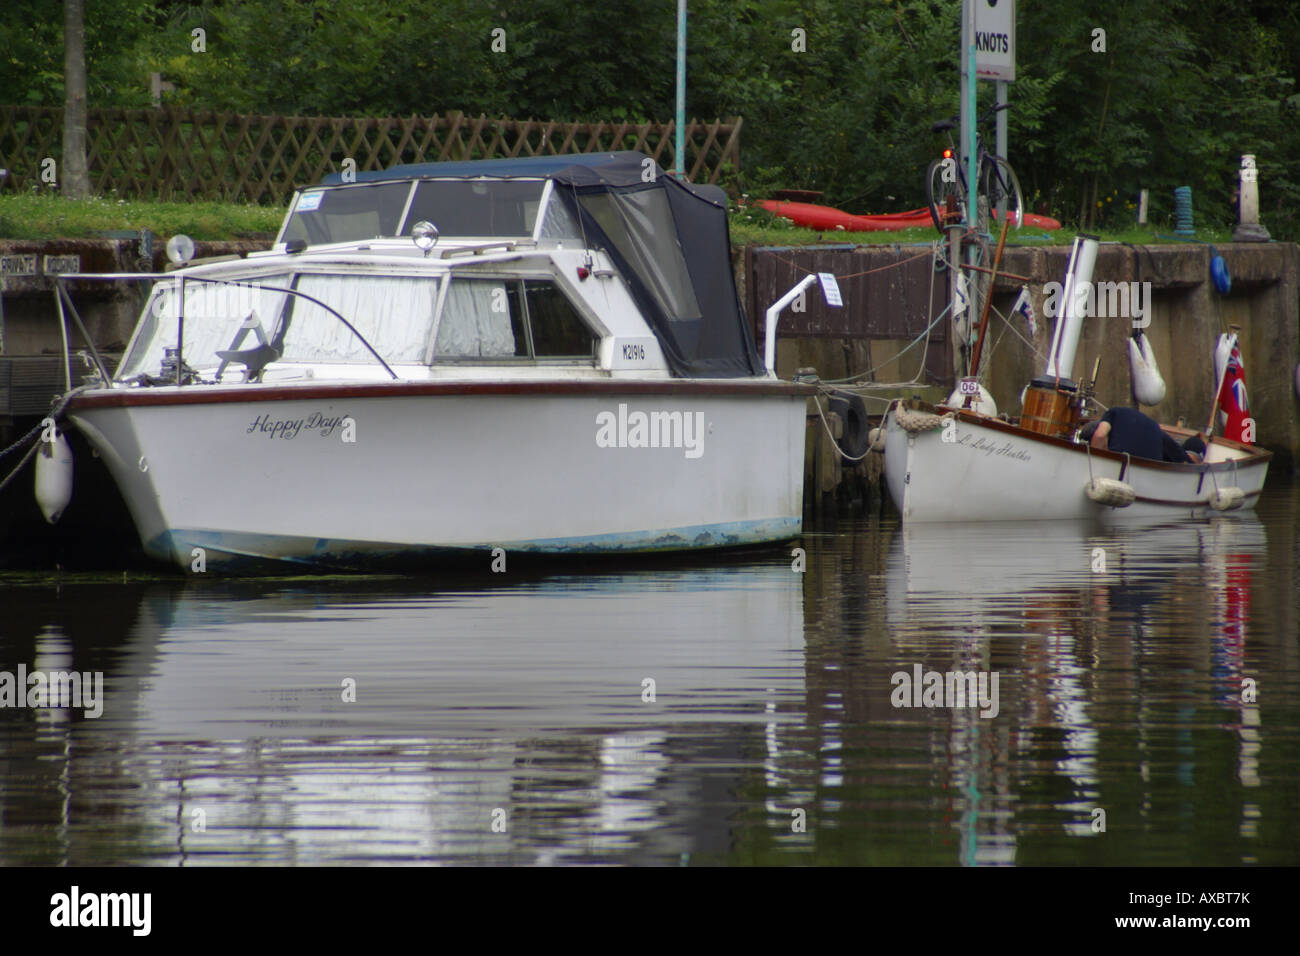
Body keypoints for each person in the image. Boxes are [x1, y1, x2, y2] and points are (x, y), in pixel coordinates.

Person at [1079, 407, 1204, 463]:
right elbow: (1178, 455)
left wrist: (1094, 463)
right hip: (1153, 470)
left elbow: (1100, 435)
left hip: (1125, 468)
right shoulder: (1117, 413)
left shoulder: (1112, 415)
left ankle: (1194, 454)